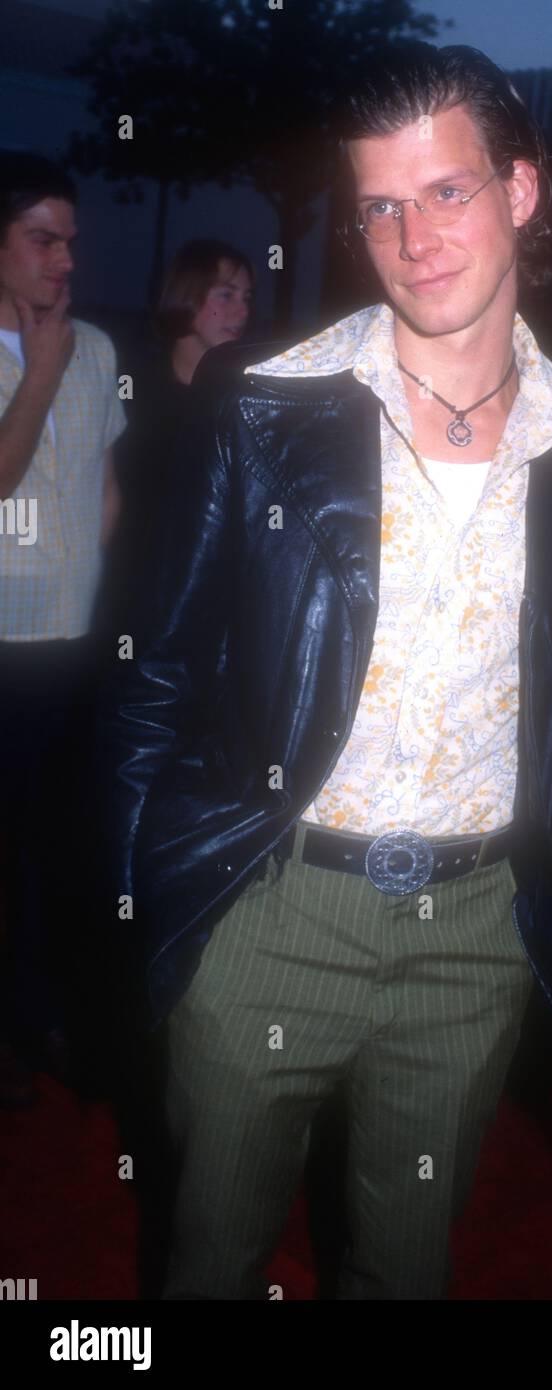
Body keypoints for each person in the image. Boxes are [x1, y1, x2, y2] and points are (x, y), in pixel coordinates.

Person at [98, 42, 552, 1299]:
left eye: (445, 191)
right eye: (381, 206)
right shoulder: (265, 408)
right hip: (268, 909)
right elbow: (157, 674)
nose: (413, 236)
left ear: (521, 192)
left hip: (475, 937)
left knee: (405, 1273)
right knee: (211, 1263)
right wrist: (153, 911)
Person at [0, 152, 126, 1106]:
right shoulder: (51, 355)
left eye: (70, 242)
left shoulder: (101, 351)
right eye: (43, 240)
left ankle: (43, 1015)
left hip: (74, 641)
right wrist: (38, 371)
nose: (64, 260)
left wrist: (87, 567)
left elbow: (103, 479)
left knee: (62, 843)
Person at [102, 240, 254, 629]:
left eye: (247, 297)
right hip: (130, 597)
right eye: (226, 294)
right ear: (188, 296)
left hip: (213, 603)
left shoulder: (246, 400)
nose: (242, 310)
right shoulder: (131, 390)